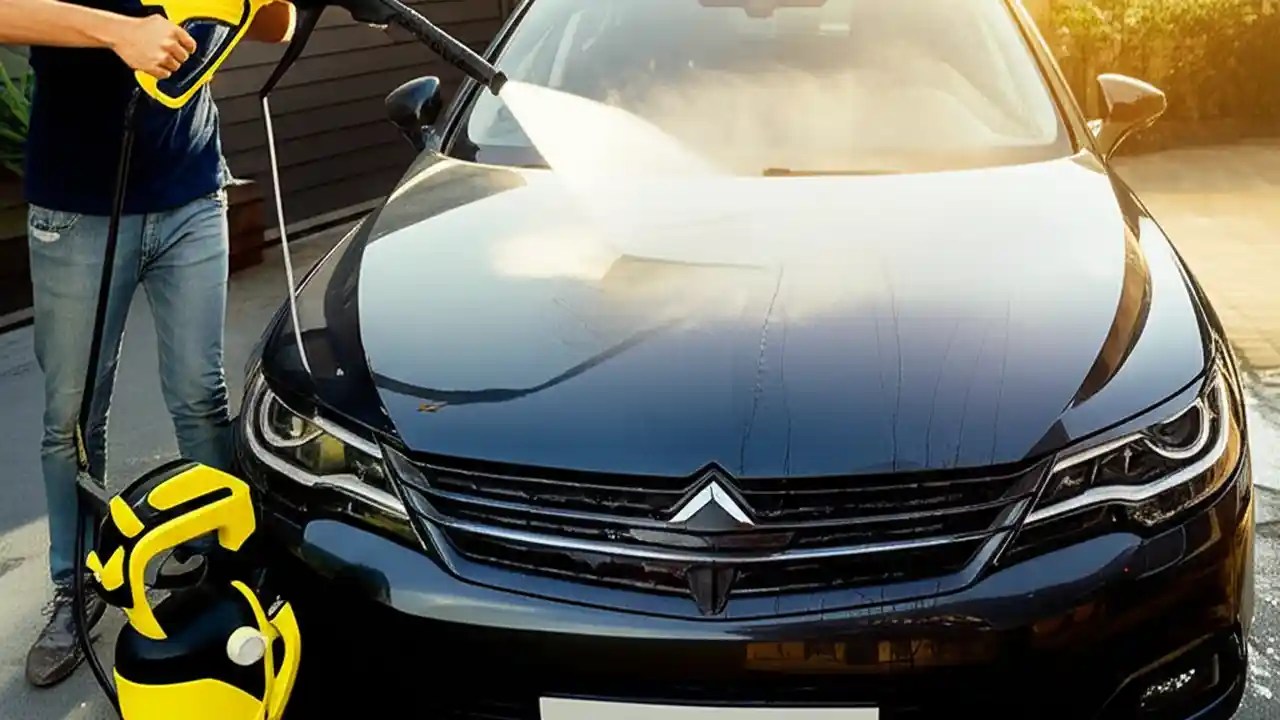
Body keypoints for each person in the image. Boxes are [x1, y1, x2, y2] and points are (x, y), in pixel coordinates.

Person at [0, 0, 295, 688]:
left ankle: (227, 563)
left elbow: (272, 22)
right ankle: (76, 592)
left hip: (192, 192)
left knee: (201, 393)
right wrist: (118, 31)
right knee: (71, 418)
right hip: (78, 210)